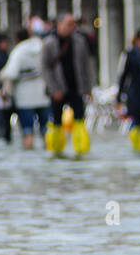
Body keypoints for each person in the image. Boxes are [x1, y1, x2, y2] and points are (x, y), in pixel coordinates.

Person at [40, 13, 97, 155]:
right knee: (56, 120)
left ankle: (81, 148)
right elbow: (44, 68)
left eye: (73, 24)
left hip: (76, 87)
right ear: (59, 25)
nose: (72, 27)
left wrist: (88, 87)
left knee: (79, 118)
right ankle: (55, 149)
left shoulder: (79, 41)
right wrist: (54, 89)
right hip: (58, 88)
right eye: (69, 24)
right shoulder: (49, 43)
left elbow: (86, 65)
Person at [0, 24, 48, 150]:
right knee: (46, 131)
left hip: (24, 98)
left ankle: (29, 157)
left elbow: (11, 73)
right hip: (43, 95)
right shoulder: (42, 47)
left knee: (28, 132)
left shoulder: (18, 51)